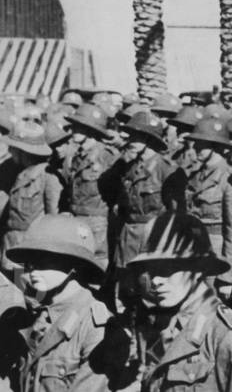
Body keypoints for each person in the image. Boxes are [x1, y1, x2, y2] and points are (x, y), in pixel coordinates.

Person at [120, 212, 232, 392]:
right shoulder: (163, 324)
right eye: (150, 270)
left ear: (199, 268)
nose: (156, 280)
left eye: (167, 269)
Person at [3, 215, 111, 392]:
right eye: (29, 262)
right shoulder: (33, 314)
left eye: (44, 259)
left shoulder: (96, 326)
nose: (33, 269)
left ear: (73, 264)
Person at [113, 111, 184, 302]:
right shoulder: (130, 167)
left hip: (153, 238)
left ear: (149, 139)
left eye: (137, 136)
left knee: (149, 292)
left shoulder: (166, 169)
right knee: (128, 294)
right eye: (131, 135)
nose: (131, 140)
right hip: (129, 237)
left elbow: (176, 213)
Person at [179, 119, 232, 298]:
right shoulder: (196, 175)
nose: (196, 148)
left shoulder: (229, 178)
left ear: (215, 146)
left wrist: (227, 275)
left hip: (215, 253)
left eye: (202, 144)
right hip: (192, 250)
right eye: (196, 143)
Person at [63, 104, 120, 270]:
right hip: (76, 220)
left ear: (90, 130)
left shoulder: (107, 156)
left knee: (97, 266)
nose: (73, 130)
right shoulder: (77, 156)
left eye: (78, 127)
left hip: (97, 223)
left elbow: (116, 193)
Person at [0, 123, 60, 276]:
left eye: (14, 148)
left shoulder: (47, 176)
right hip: (10, 245)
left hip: (30, 248)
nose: (10, 151)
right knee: (11, 287)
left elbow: (53, 218)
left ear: (24, 152)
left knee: (25, 287)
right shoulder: (17, 173)